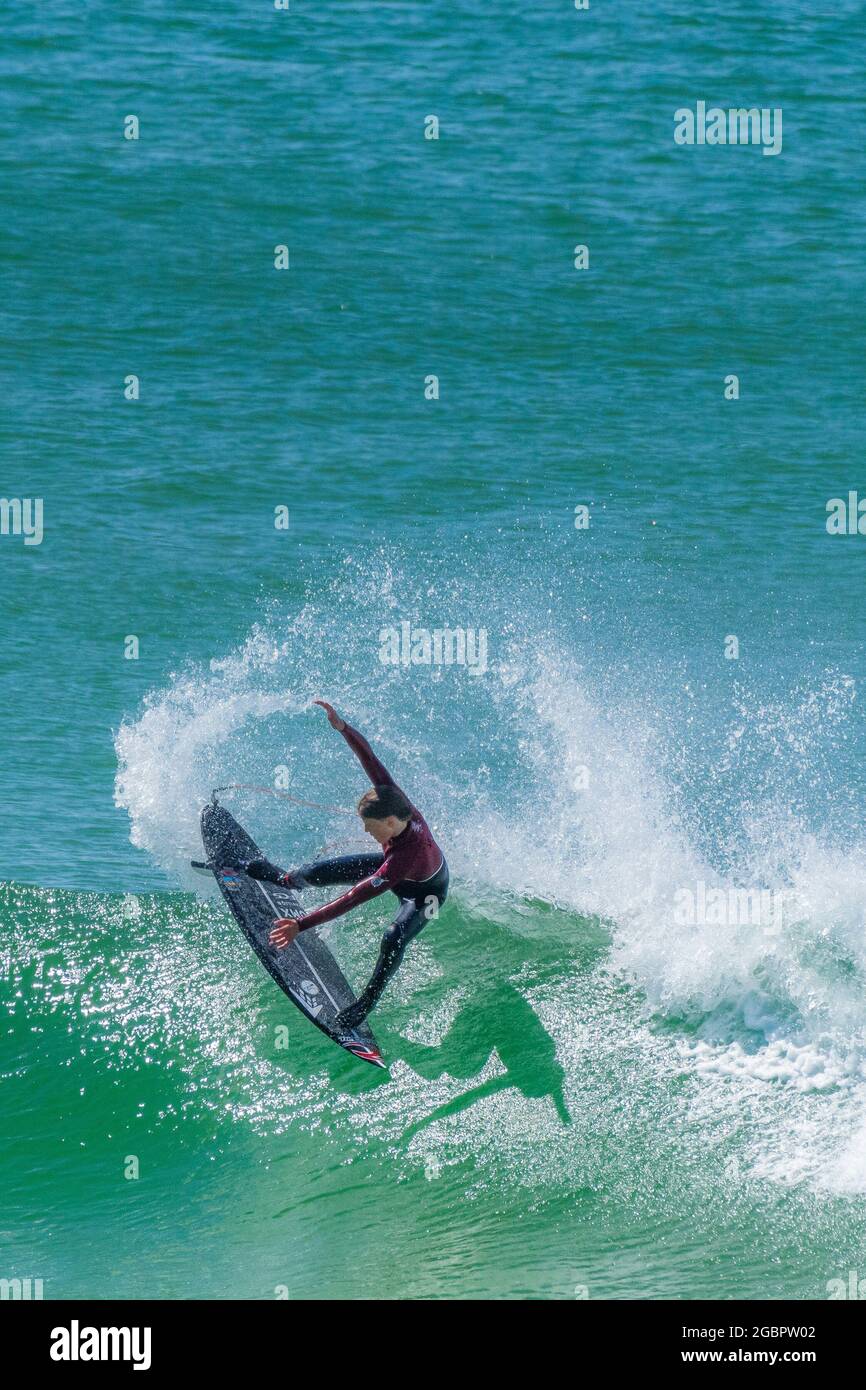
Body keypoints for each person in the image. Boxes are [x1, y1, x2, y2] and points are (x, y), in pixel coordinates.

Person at [244, 701, 448, 1031]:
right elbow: (369, 759)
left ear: (392, 821)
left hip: (425, 894)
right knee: (320, 871)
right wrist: (343, 728)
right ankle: (283, 878)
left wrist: (301, 925)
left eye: (371, 826)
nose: (366, 831)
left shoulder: (404, 857)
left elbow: (354, 897)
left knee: (394, 935)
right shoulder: (393, 799)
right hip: (394, 865)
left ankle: (366, 1002)